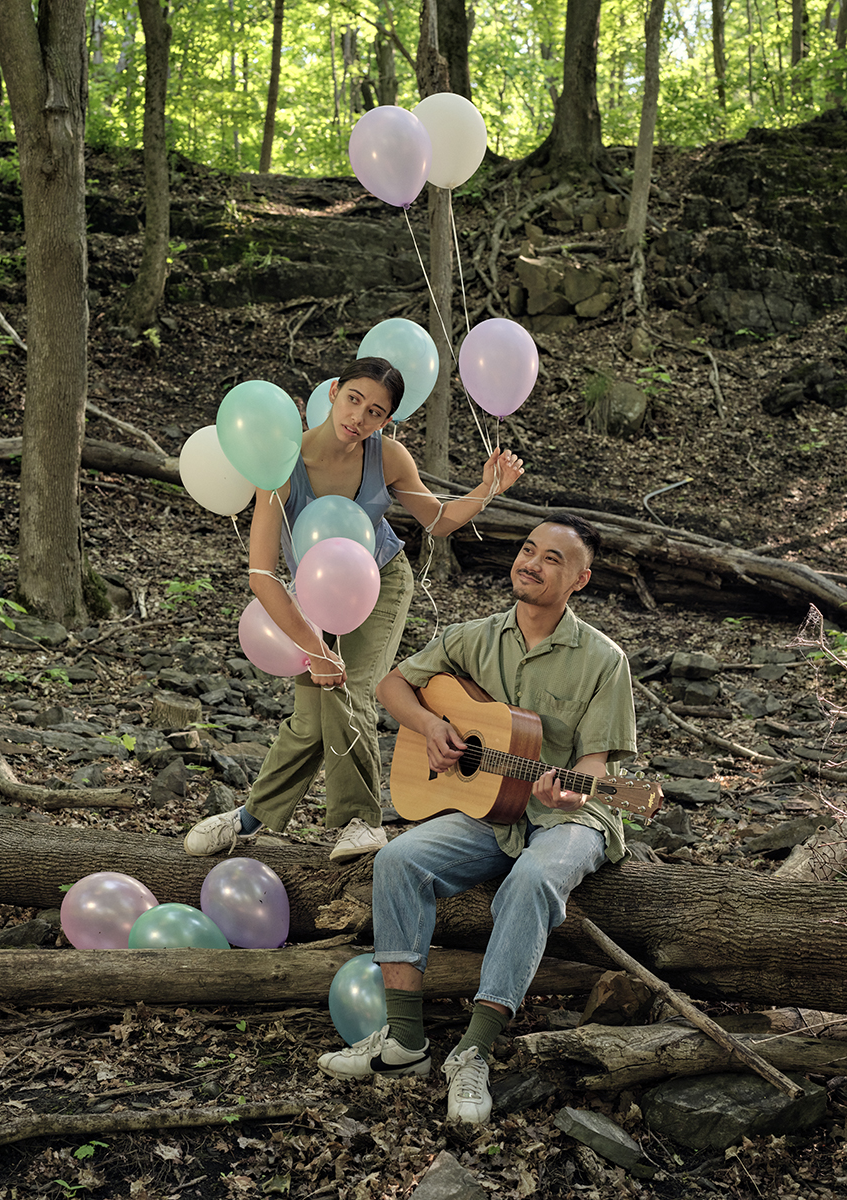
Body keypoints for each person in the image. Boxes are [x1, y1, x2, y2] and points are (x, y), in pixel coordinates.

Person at [317, 514, 645, 1124]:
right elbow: (392, 686)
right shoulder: (474, 637)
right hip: (492, 810)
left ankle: (474, 1052)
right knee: (397, 859)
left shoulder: (604, 660)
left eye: (552, 558)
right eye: (527, 549)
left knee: (533, 879)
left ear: (580, 579)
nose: (532, 562)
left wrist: (574, 791)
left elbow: (598, 768)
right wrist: (432, 728)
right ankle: (405, 1042)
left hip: (569, 817)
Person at [185, 357, 524, 863]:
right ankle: (250, 819)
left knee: (350, 686)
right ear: (333, 393)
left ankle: (361, 822)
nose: (359, 418)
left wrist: (486, 488)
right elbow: (261, 575)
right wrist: (313, 647)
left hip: (381, 580)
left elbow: (437, 520)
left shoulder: (387, 457)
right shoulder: (281, 464)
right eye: (353, 400)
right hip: (314, 593)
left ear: (386, 420)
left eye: (375, 412)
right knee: (310, 717)